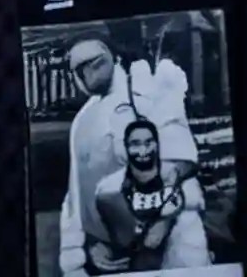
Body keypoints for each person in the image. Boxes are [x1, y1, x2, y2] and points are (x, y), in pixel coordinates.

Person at [58, 29, 208, 275]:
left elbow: (181, 162)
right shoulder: (82, 120)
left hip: (168, 248)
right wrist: (89, 244)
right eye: (79, 68)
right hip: (112, 257)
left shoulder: (147, 92)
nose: (88, 72)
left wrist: (160, 225)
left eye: (94, 62)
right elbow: (77, 196)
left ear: (114, 56)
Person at [95, 120, 211, 272]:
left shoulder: (179, 180)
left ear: (157, 144)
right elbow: (99, 234)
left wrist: (166, 220)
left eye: (149, 143)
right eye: (135, 144)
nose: (143, 150)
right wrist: (98, 248)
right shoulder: (110, 188)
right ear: (126, 147)